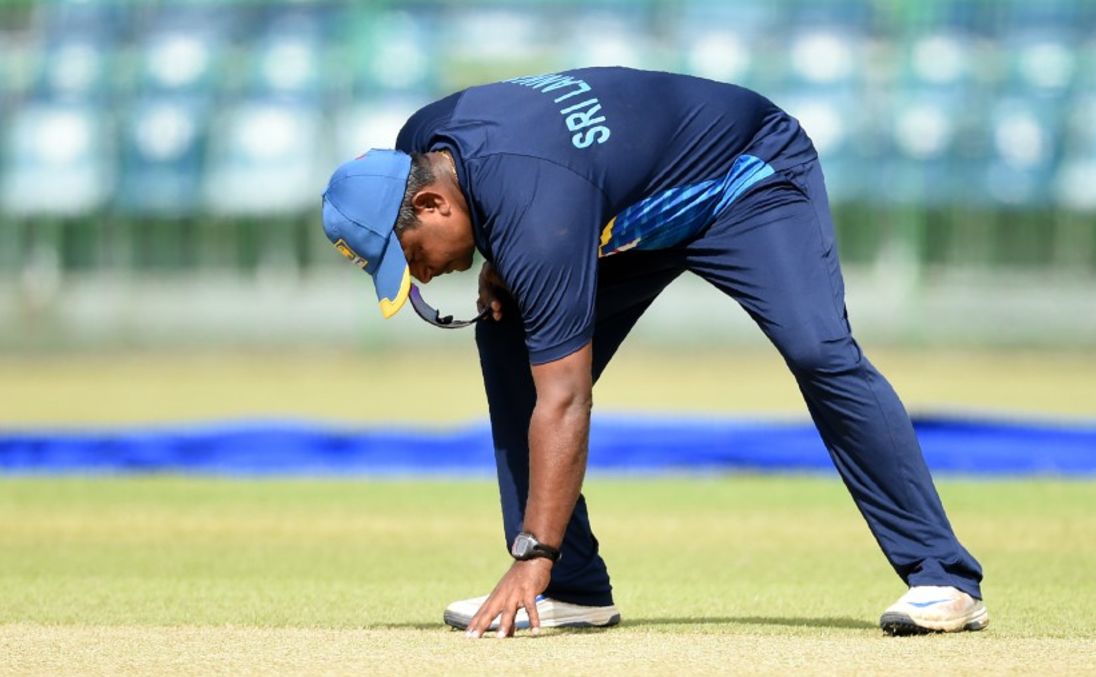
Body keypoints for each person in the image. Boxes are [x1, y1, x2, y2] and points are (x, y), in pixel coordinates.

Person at [320, 67, 987, 638]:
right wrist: (503, 254)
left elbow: (566, 398)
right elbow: (527, 191)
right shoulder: (421, 146)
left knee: (819, 350)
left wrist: (531, 553)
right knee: (505, 332)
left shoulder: (534, 210)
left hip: (743, 174)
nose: (421, 276)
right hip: (627, 210)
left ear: (432, 203)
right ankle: (575, 588)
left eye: (410, 256)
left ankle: (943, 576)